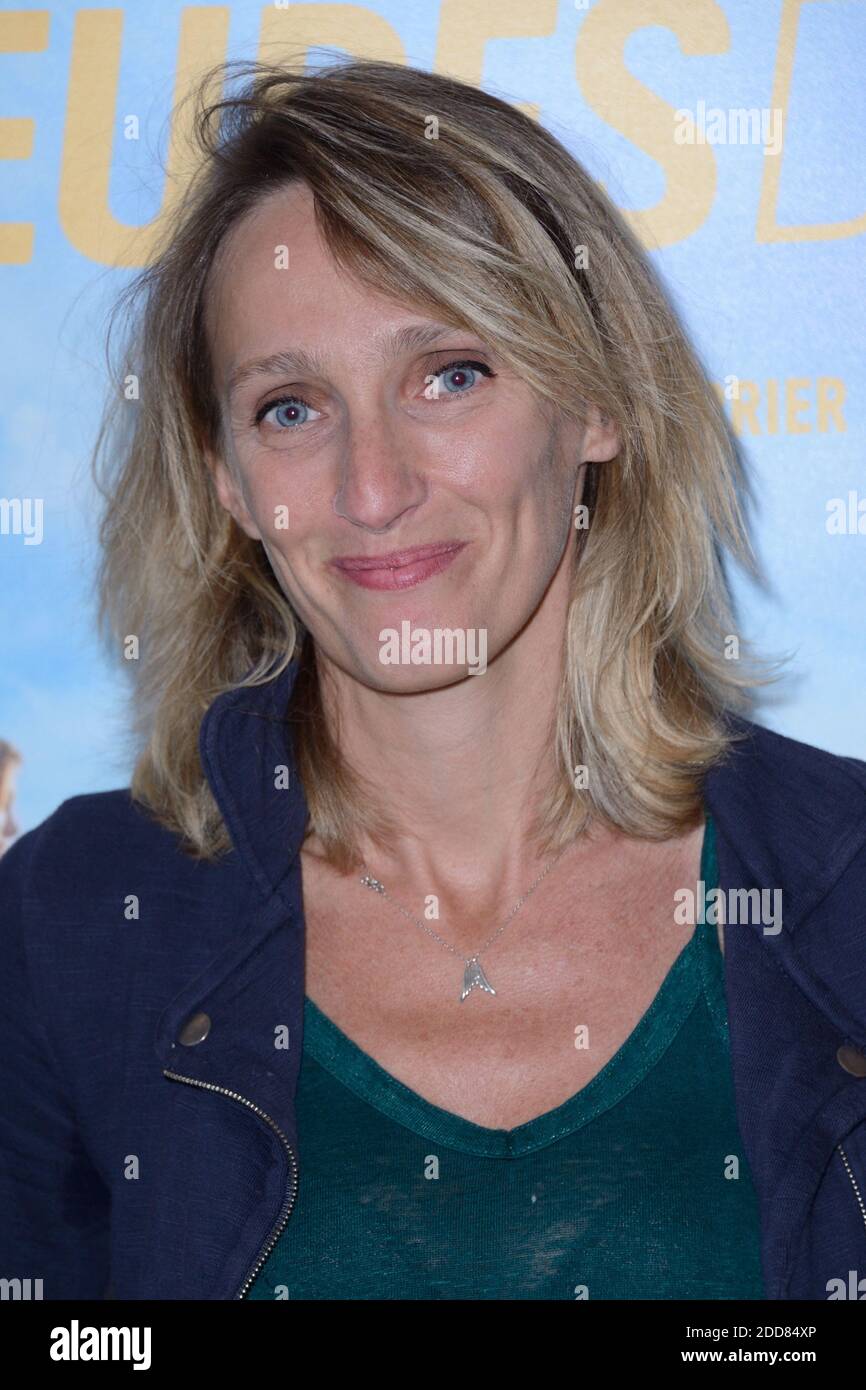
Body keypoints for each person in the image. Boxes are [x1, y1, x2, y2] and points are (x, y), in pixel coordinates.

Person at [1, 54, 865, 1303]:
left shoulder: (842, 883)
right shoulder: (71, 922)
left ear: (595, 399)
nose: (371, 487)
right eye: (290, 407)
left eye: (449, 375)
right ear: (227, 478)